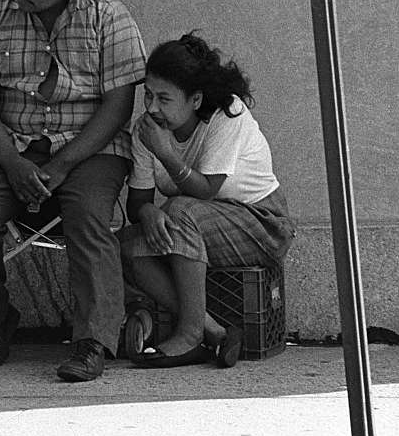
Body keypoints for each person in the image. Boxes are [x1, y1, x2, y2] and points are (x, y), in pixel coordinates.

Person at [0, 0, 146, 380]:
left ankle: (93, 341)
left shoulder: (108, 16)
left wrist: (63, 164)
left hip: (91, 147)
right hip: (13, 144)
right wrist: (14, 163)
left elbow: (118, 108)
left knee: (89, 216)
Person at [120, 33, 296, 368]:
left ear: (195, 99)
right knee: (128, 244)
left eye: (164, 99)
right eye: (148, 96)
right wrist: (146, 213)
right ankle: (216, 332)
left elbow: (205, 190)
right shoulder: (146, 129)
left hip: (264, 224)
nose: (152, 108)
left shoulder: (228, 114)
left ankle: (189, 335)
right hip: (202, 225)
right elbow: (136, 202)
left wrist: (165, 152)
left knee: (180, 209)